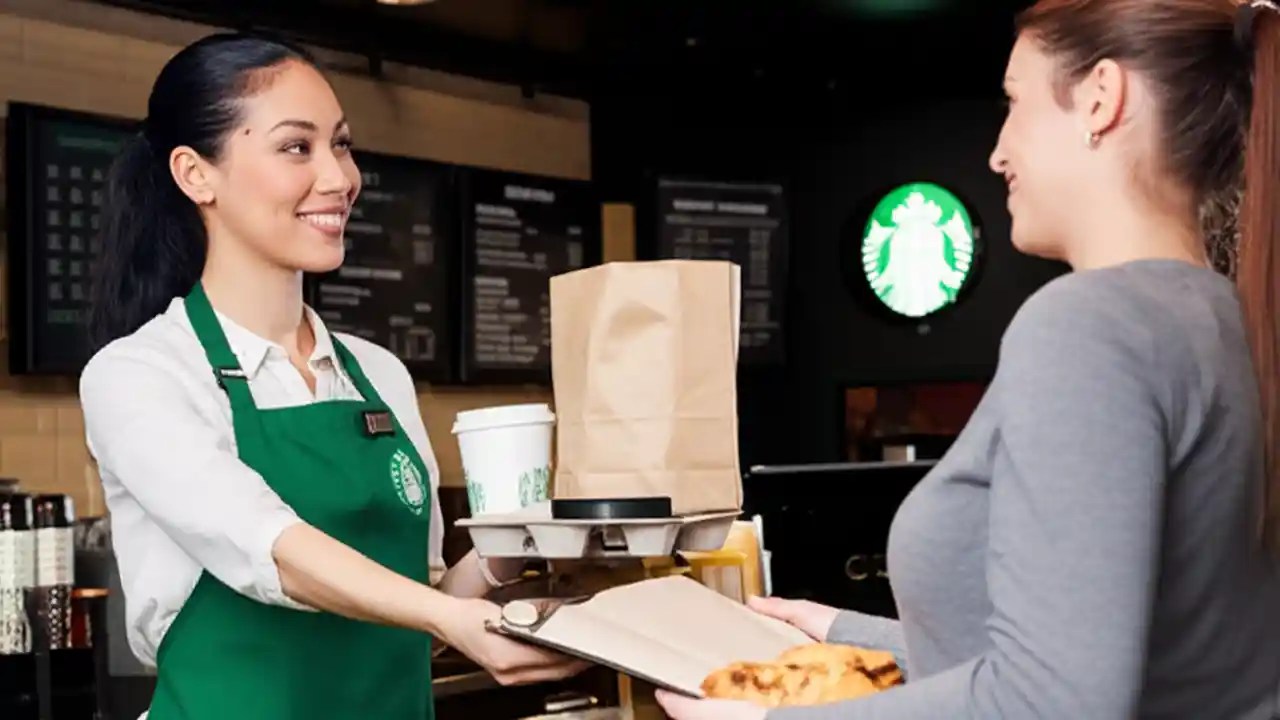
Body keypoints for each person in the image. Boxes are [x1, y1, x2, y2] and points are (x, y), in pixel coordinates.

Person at [659, 1, 1280, 719]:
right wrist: (838, 631)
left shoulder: (1090, 326)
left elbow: (1047, 704)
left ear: (1100, 99)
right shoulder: (1229, 319)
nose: (998, 152)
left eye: (1014, 102)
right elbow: (1131, 660)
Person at [79, 33, 583, 720]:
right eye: (297, 147)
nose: (340, 178)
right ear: (196, 174)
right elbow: (268, 547)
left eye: (341, 144)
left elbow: (421, 598)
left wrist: (508, 555)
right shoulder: (140, 375)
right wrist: (447, 616)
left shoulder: (379, 374)